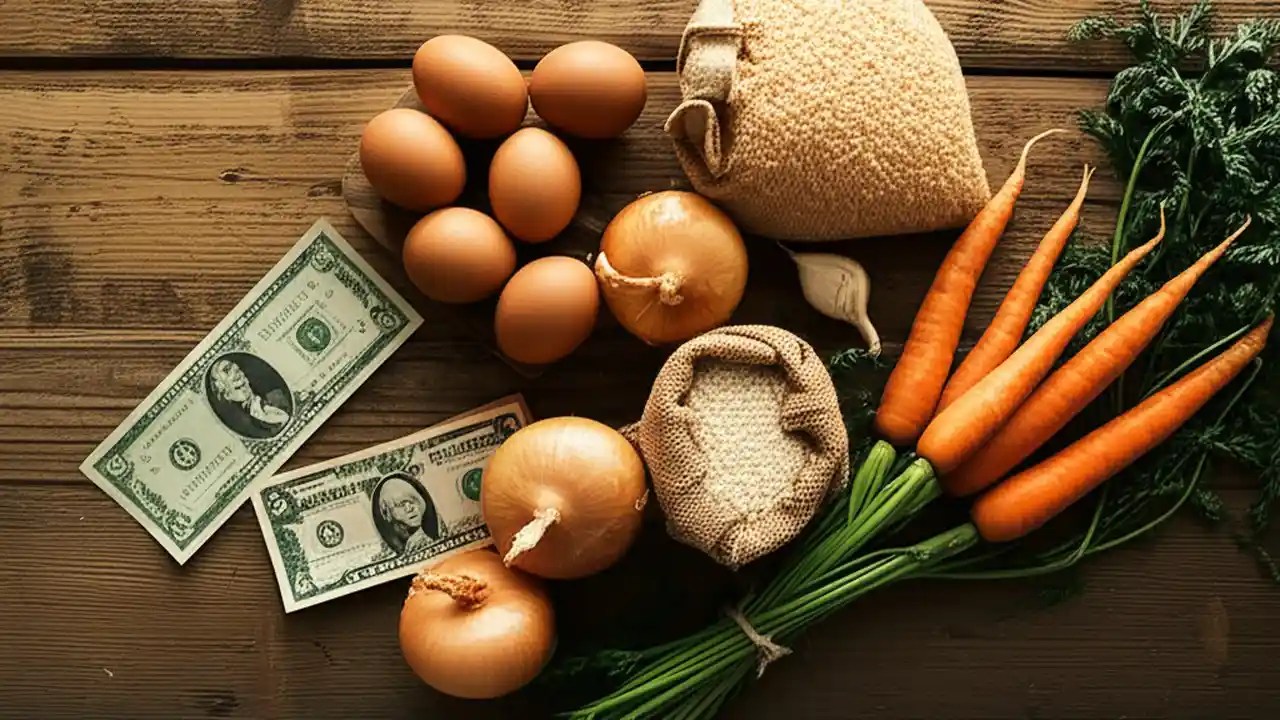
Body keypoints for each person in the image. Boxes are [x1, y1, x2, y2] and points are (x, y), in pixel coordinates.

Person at [208, 357, 291, 437]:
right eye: (227, 370)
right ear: (227, 395)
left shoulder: (277, 396)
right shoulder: (245, 428)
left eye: (240, 374)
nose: (235, 369)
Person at [375, 473, 440, 555]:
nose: (409, 508)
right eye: (400, 504)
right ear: (387, 513)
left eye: (413, 500)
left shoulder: (421, 541)